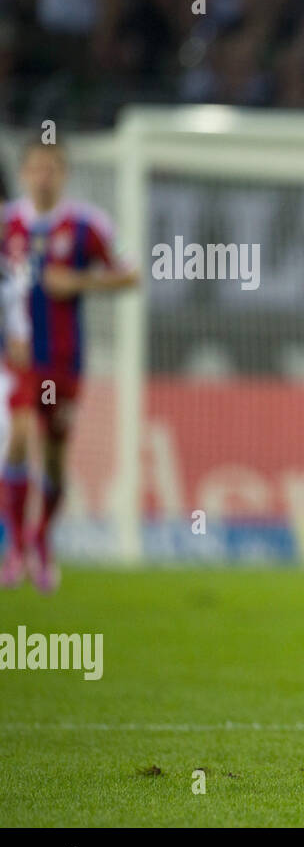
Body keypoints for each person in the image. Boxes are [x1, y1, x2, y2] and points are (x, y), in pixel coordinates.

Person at [0, 140, 138, 591]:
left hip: (65, 361)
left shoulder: (87, 225)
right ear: (23, 175)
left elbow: (131, 272)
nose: (44, 177)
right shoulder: (8, 226)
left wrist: (78, 280)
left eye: (52, 169)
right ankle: (17, 543)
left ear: (64, 176)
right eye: (36, 168)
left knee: (56, 459)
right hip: (19, 359)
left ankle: (42, 537)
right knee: (18, 438)